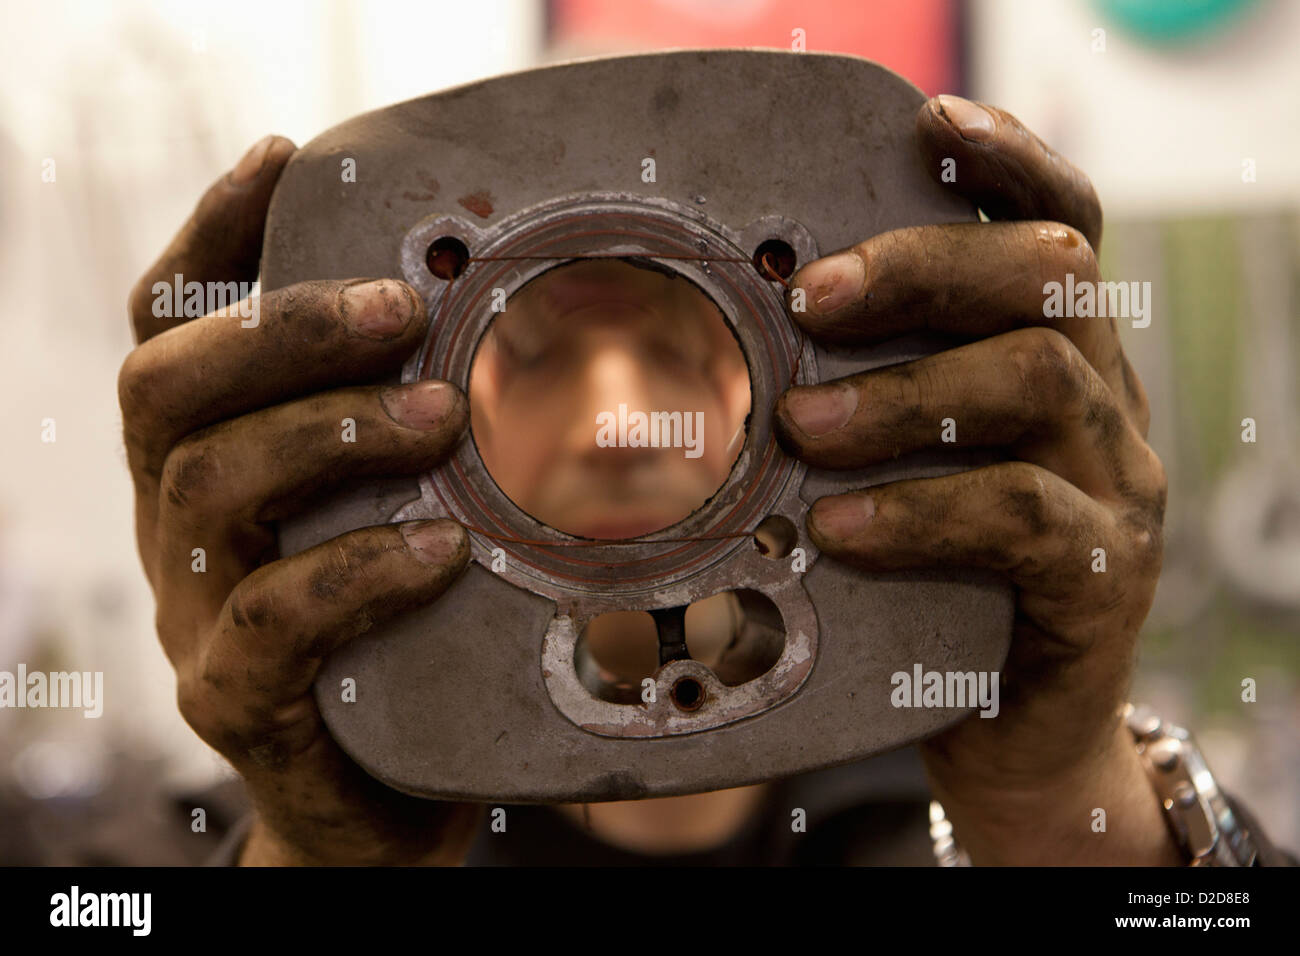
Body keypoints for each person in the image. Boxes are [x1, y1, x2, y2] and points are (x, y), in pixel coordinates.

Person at [117, 94, 1296, 866]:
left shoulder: (955, 798)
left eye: (685, 335)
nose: (625, 420)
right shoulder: (201, 843)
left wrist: (1061, 800)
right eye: (528, 344)